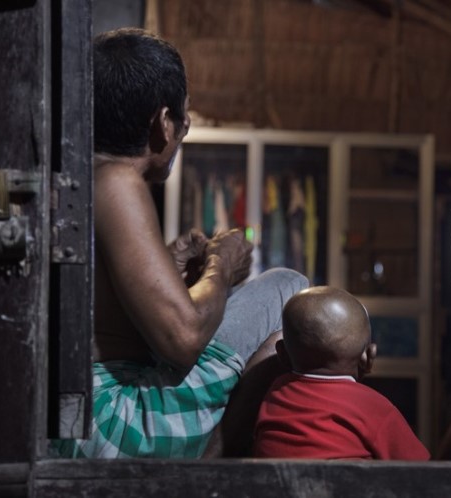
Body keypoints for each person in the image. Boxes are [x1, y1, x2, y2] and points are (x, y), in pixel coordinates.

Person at [51, 28, 309, 459]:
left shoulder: (85, 175)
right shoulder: (117, 181)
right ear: (163, 121)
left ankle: (213, 452)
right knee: (288, 285)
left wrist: (168, 269)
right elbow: (183, 339)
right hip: (118, 426)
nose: (183, 130)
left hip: (80, 422)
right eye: (183, 119)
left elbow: (110, 317)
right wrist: (222, 265)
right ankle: (212, 457)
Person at [252, 286, 430, 460]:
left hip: (273, 487)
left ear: (281, 353)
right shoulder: (373, 406)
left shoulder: (275, 392)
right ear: (368, 357)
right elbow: (419, 468)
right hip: (343, 488)